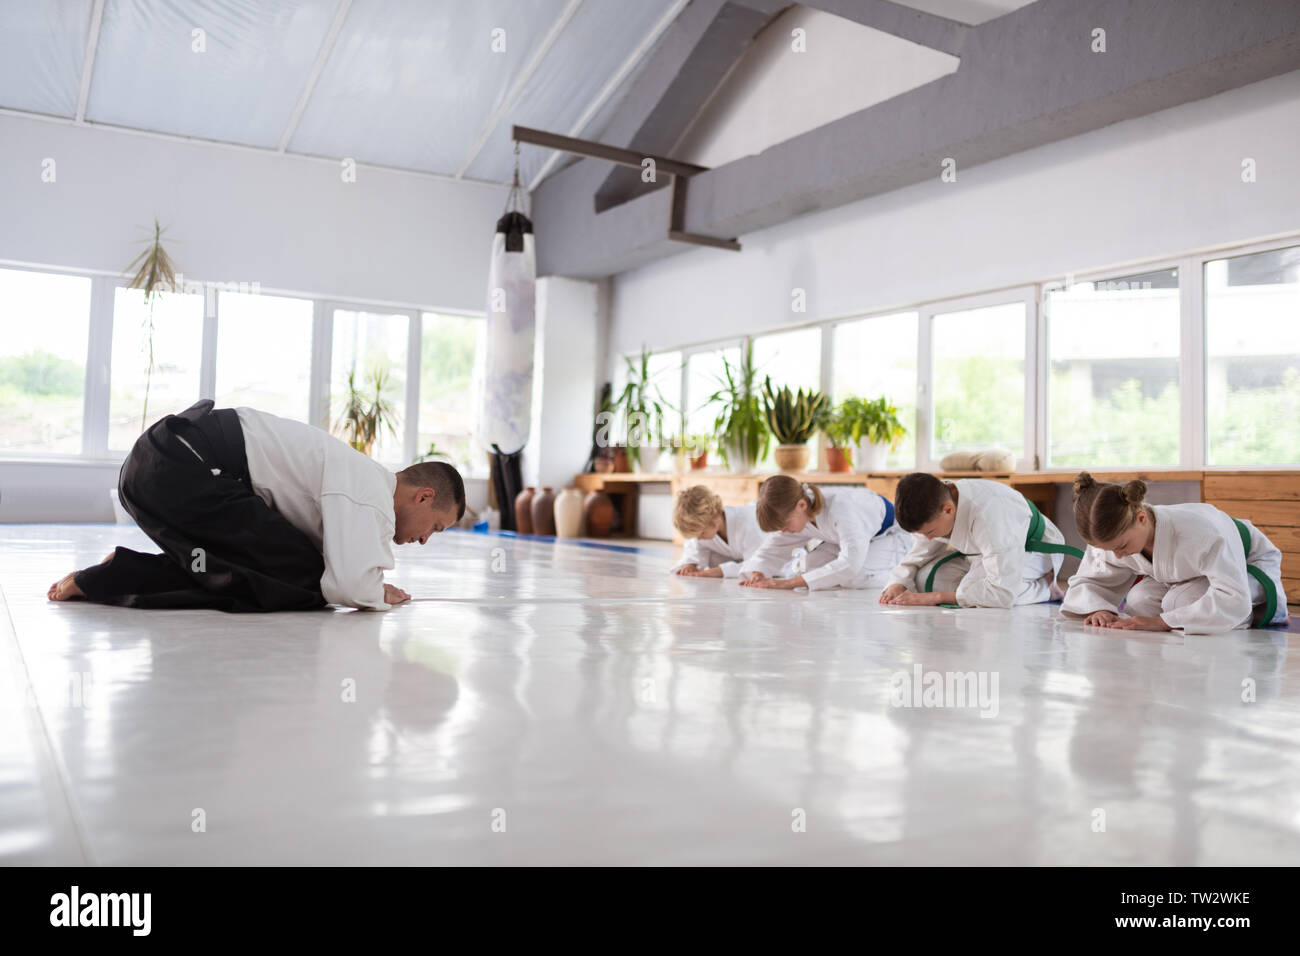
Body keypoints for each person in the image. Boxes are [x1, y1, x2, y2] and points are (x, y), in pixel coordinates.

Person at [47, 399, 464, 612]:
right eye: (437, 527)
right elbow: (347, 586)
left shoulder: (358, 480)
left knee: (277, 566)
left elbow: (344, 571)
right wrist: (372, 590)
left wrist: (362, 582)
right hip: (183, 467)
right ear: (423, 496)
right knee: (303, 579)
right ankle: (124, 573)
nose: (426, 540)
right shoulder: (369, 492)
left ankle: (126, 571)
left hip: (157, 468)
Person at [1061, 473, 1288, 633]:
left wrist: (1162, 622)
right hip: (1189, 574)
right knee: (1140, 601)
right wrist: (1100, 608)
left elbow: (1232, 597)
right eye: (1109, 550)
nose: (1117, 556)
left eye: (1121, 547)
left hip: (1247, 561)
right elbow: (1091, 580)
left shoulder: (1200, 534)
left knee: (1178, 603)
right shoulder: (1115, 532)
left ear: (1141, 518)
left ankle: (1266, 607)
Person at [881, 472, 1069, 608]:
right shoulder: (935, 502)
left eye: (930, 531)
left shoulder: (990, 515)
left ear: (948, 509)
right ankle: (980, 586)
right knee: (922, 579)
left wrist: (935, 597)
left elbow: (1002, 594)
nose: (928, 538)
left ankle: (1044, 590)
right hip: (983, 552)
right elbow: (920, 552)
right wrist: (899, 582)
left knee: (994, 594)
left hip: (1034, 551)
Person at [737, 475, 911, 591]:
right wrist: (757, 573)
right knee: (808, 567)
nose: (783, 531)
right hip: (849, 540)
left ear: (802, 506)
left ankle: (900, 575)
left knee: (852, 577)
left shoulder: (843, 508)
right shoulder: (798, 511)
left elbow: (850, 563)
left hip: (892, 534)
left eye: (784, 525)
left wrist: (786, 584)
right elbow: (773, 547)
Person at [670, 486, 772, 579]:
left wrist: (716, 572)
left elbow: (757, 565)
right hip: (738, 556)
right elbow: (694, 548)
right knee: (711, 556)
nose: (699, 539)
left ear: (713, 520)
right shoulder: (704, 529)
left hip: (776, 551)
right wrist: (690, 564)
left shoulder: (748, 522)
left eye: (702, 533)